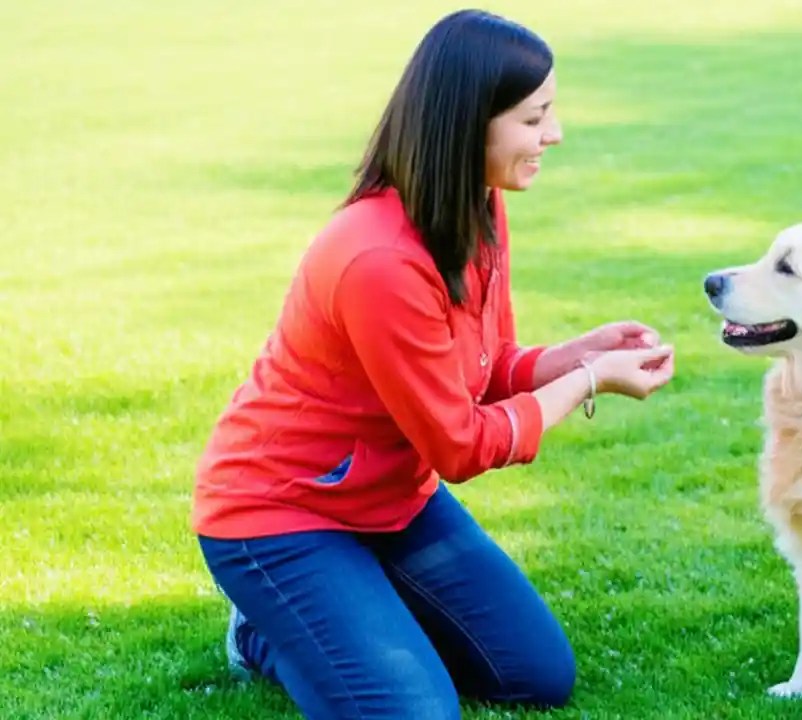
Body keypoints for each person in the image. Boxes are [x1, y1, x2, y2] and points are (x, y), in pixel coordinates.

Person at [190, 9, 675, 719]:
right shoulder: (379, 260)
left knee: (536, 673)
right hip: (278, 511)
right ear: (470, 123)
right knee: (415, 713)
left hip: (387, 500)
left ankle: (354, 602)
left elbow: (488, 366)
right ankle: (262, 630)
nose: (555, 134)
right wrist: (590, 381)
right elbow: (460, 443)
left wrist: (578, 353)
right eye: (535, 118)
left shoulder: (477, 206)